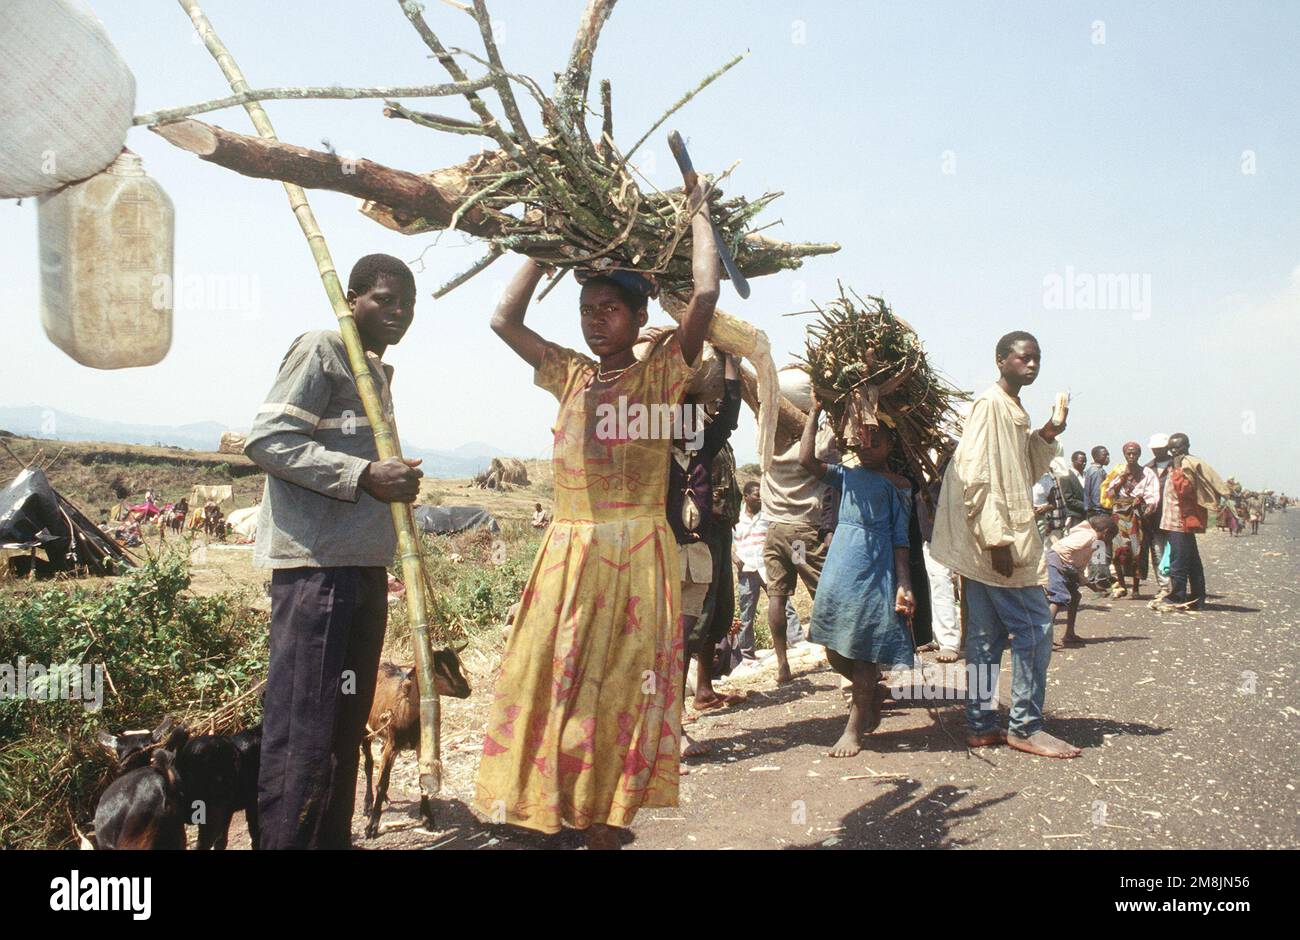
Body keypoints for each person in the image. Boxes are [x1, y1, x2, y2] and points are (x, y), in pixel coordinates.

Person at [473, 175, 719, 849]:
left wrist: (701, 218)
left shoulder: (662, 373)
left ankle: (608, 824)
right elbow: (502, 320)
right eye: (587, 308)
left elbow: (706, 293)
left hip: (636, 555)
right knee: (553, 678)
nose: (595, 318)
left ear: (639, 319)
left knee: (622, 692)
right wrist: (540, 248)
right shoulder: (571, 374)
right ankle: (559, 805)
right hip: (568, 554)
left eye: (610, 308)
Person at [243, 253, 423, 849]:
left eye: (408, 303)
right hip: (316, 570)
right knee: (303, 727)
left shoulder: (374, 372)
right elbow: (268, 440)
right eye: (385, 299)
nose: (399, 312)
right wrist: (366, 474)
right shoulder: (323, 348)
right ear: (351, 300)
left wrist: (390, 479)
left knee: (344, 726)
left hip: (363, 569)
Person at [930, 331, 1080, 759]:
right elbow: (976, 472)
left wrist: (1048, 432)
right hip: (998, 540)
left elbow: (1019, 469)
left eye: (1036, 359)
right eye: (1022, 358)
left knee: (984, 637)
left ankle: (979, 724)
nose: (1031, 365)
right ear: (1000, 360)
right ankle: (1025, 726)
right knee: (1035, 630)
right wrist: (995, 537)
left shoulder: (1013, 408)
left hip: (993, 540)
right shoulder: (989, 405)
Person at [799, 397, 915, 757]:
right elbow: (806, 460)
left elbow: (901, 540)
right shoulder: (846, 475)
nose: (867, 449)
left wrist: (903, 584)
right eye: (861, 440)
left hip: (874, 573)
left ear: (891, 445)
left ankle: (853, 730)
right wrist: (815, 412)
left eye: (876, 441)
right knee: (834, 648)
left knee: (863, 651)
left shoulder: (897, 485)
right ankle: (871, 692)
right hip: (839, 570)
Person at [667, 352, 742, 754]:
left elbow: (729, 411)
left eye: (694, 414)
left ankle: (673, 729)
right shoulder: (653, 452)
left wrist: (730, 358)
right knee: (658, 645)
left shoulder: (702, 451)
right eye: (681, 413)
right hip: (658, 556)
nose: (691, 422)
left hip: (695, 561)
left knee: (680, 642)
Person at [760, 407, 839, 684]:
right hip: (801, 532)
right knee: (824, 593)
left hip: (774, 531)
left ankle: (782, 664)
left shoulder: (767, 443)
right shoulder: (816, 442)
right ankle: (840, 657)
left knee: (777, 596)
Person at [1152, 432, 1226, 612]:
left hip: (1181, 522)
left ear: (1186, 447)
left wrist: (1177, 470)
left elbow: (1184, 490)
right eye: (1171, 448)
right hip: (1175, 521)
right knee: (1192, 561)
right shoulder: (1179, 464)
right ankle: (1197, 598)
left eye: (1177, 448)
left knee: (1179, 562)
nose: (1173, 451)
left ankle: (1177, 597)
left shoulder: (1185, 466)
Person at [731, 481, 801, 663]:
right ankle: (746, 654)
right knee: (747, 613)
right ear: (746, 497)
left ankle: (797, 641)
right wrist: (734, 556)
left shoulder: (767, 516)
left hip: (767, 566)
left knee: (783, 604)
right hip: (747, 569)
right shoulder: (736, 518)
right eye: (756, 495)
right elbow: (730, 541)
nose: (760, 498)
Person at [916, 444, 960, 663]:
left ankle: (951, 641)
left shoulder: (953, 449)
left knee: (946, 582)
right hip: (928, 530)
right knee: (935, 581)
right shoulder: (913, 449)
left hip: (953, 527)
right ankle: (938, 635)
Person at [1101, 441, 1160, 598]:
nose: (1132, 456)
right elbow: (1110, 494)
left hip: (1136, 516)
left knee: (1136, 552)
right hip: (1118, 516)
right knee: (1117, 552)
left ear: (1139, 454)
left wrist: (1143, 503)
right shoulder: (1119, 471)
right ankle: (1122, 586)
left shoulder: (1147, 473)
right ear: (1125, 455)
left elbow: (1153, 496)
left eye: (1135, 453)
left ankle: (1135, 589)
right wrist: (1121, 480)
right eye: (1129, 453)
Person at [1049, 514, 1118, 646]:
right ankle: (1044, 638)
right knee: (1059, 597)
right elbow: (1062, 550)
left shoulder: (1091, 544)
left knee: (1074, 596)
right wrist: (1068, 566)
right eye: (1110, 538)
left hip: (1065, 564)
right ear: (1106, 533)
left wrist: (1094, 588)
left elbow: (1079, 568)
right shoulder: (1089, 536)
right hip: (1057, 561)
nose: (1109, 542)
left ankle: (1069, 634)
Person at [1143, 433, 1174, 597]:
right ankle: (1164, 586)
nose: (1157, 451)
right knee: (1157, 552)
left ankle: (1176, 585)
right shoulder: (1147, 468)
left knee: (1174, 552)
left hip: (1174, 517)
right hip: (1154, 519)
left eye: (1160, 448)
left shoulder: (1176, 465)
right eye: (1155, 449)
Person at [1083, 445, 1111, 586]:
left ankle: (1094, 577)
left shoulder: (1089, 470)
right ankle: (1100, 579)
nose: (1108, 457)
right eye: (1105, 455)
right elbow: (1097, 496)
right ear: (1097, 456)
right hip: (1099, 512)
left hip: (1092, 513)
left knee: (1094, 546)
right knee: (1100, 547)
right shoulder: (1098, 472)